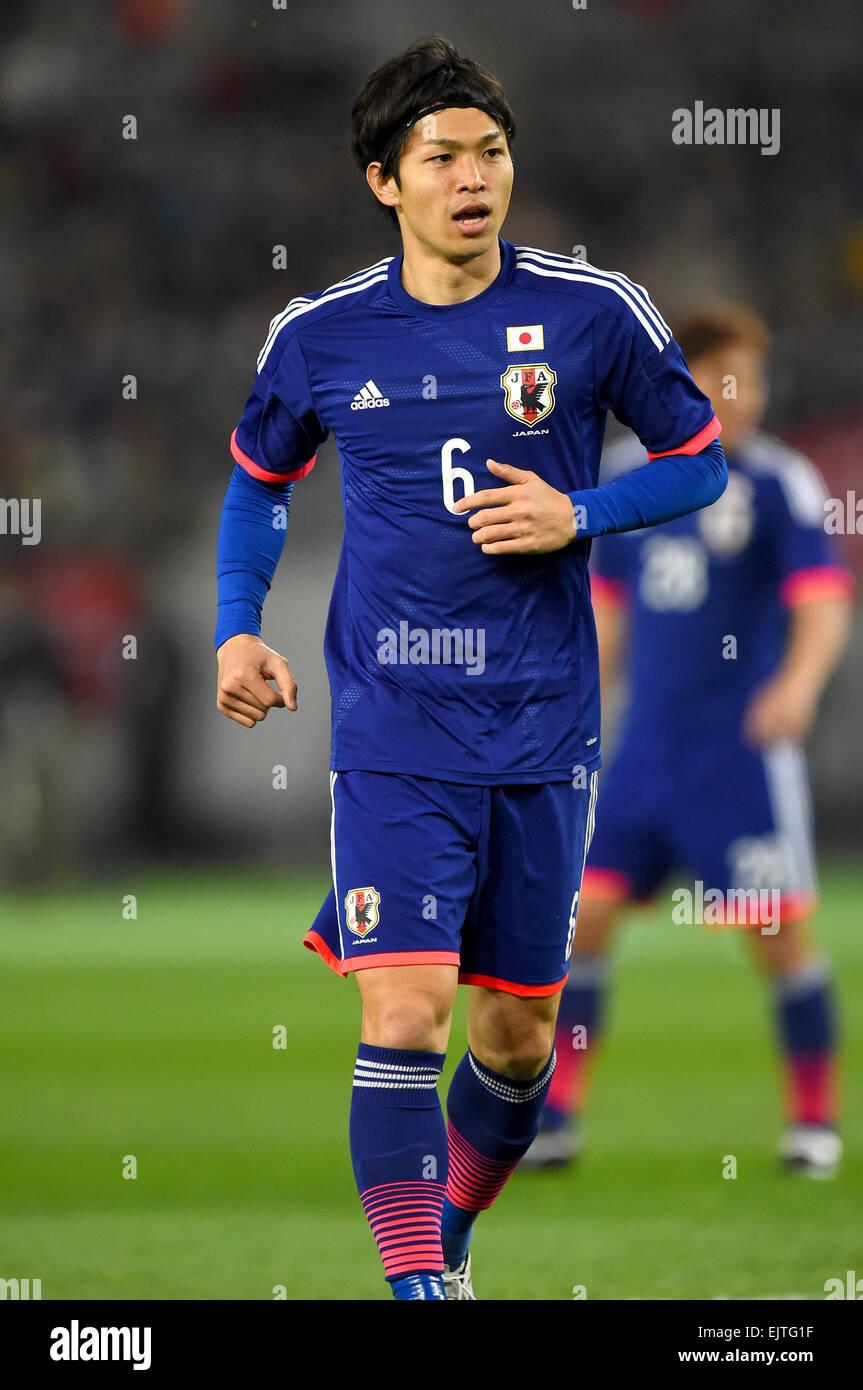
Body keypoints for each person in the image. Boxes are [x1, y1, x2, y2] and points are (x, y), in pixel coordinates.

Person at [214, 35, 727, 1300]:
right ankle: (416, 1288)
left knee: (516, 1043)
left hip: (543, 729)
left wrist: (583, 514)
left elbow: (700, 455)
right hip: (390, 724)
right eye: (439, 157)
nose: (471, 177)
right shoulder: (322, 335)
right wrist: (238, 622)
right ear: (382, 181)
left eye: (489, 152)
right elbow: (258, 483)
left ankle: (438, 1240)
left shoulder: (591, 312)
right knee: (404, 1016)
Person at [523, 304, 854, 1178]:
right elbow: (607, 616)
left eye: (750, 378)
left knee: (774, 937)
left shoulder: (779, 482)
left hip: (738, 758)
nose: (739, 397)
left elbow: (821, 599)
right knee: (582, 922)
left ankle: (812, 1123)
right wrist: (562, 704)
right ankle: (555, 1117)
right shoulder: (631, 482)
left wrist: (795, 684)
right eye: (719, 379)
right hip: (644, 754)